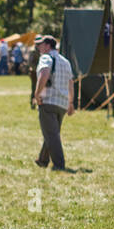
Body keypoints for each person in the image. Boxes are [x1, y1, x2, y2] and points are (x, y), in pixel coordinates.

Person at [32, 35, 75, 170]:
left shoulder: (46, 58)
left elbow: (44, 73)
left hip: (48, 101)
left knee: (51, 135)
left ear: (47, 46)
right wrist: (71, 102)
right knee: (52, 133)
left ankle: (59, 165)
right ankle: (43, 160)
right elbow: (70, 83)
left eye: (40, 45)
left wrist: (37, 94)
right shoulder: (65, 61)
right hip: (62, 103)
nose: (38, 47)